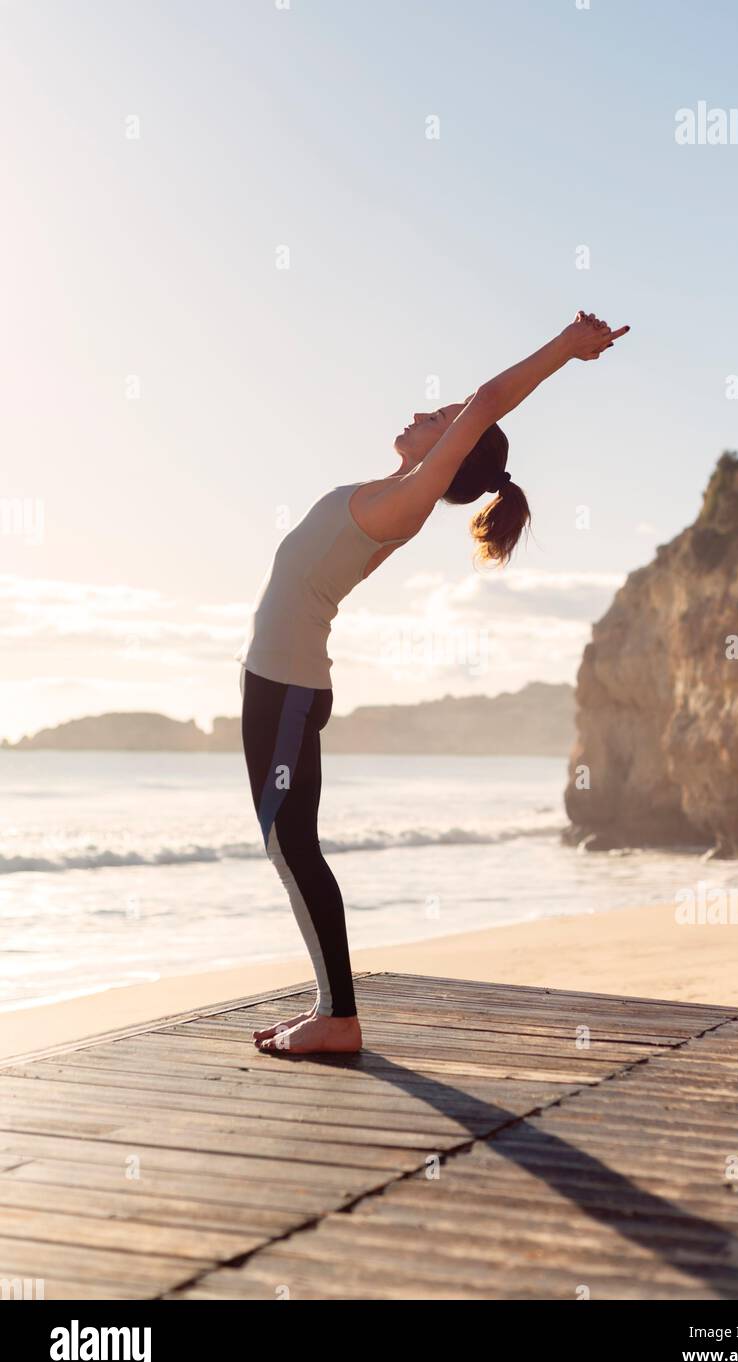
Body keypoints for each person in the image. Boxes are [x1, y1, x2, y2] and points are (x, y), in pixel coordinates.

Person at [238, 311, 629, 1054]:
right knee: (288, 845)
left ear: (452, 457)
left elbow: (486, 401)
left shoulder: (406, 501)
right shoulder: (384, 497)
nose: (424, 413)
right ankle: (330, 1009)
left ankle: (337, 1017)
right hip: (279, 686)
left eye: (441, 419)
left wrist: (564, 348)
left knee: (291, 849)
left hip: (285, 690)